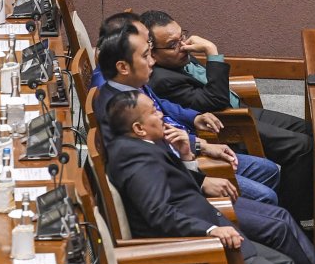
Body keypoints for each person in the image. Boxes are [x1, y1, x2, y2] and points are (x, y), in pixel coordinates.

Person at [106, 91, 315, 264]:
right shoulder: (137, 161)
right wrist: (210, 231)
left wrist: (186, 156)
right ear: (138, 128)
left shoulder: (141, 147)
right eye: (155, 112)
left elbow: (174, 185)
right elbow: (160, 214)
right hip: (193, 246)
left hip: (211, 226)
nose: (162, 115)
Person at [142, 9, 314, 221]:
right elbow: (215, 102)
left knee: (312, 131)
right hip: (230, 123)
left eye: (182, 37)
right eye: (172, 44)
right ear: (152, 52)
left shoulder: (177, 55)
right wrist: (212, 52)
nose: (183, 46)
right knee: (302, 148)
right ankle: (296, 216)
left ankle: (310, 207)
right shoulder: (162, 78)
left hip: (240, 109)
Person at [91, 18, 282, 207]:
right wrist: (197, 166)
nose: (152, 60)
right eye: (146, 50)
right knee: (267, 199)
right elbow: (153, 162)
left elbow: (162, 106)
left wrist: (195, 121)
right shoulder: (115, 104)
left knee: (269, 170)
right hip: (181, 172)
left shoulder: (129, 82)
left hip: (186, 146)